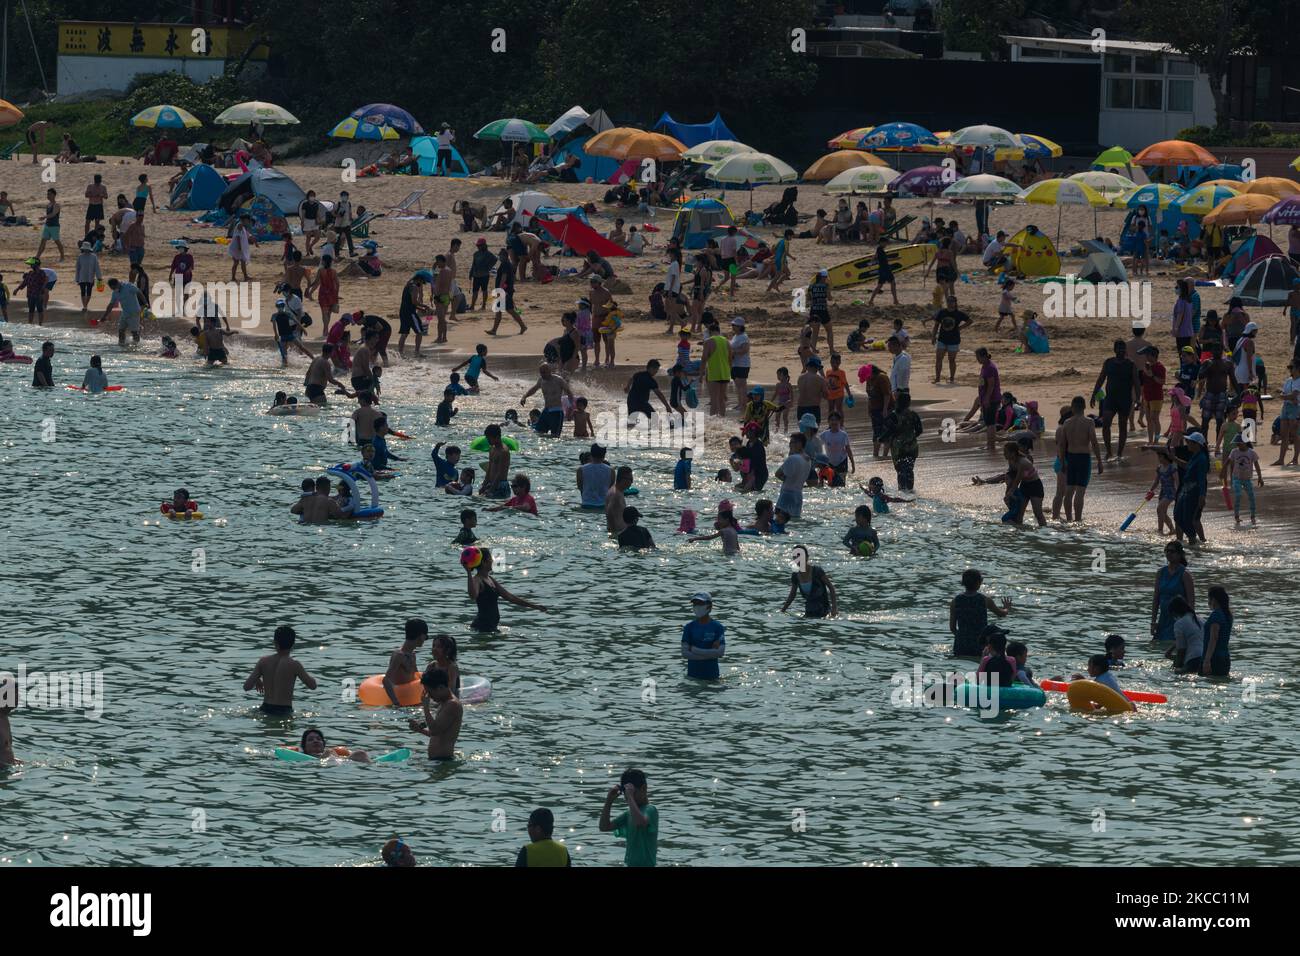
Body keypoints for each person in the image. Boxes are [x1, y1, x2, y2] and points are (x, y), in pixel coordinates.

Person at [463, 546, 548, 631]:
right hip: (481, 627)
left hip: (491, 627)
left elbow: (509, 597)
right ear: (484, 562)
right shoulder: (477, 580)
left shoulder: (490, 579)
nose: (493, 561)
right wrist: (469, 573)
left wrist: (534, 606)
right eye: (490, 558)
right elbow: (473, 596)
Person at [243, 625, 317, 716]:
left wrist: (257, 679)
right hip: (284, 711)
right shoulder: (294, 665)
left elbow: (246, 687)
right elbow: (313, 686)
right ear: (293, 644)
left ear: (275, 643)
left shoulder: (263, 662)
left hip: (265, 709)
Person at [599, 768, 659, 867]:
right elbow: (604, 827)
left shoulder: (651, 810)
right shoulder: (629, 814)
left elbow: (640, 822)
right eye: (625, 794)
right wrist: (609, 801)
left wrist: (630, 797)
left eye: (632, 792)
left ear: (644, 789)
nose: (627, 797)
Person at [1091, 339, 1138, 460]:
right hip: (1110, 399)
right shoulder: (1108, 362)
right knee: (1106, 423)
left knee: (1123, 426)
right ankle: (1109, 452)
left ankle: (1119, 453)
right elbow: (1101, 378)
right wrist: (1094, 394)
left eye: (1123, 348)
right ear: (1114, 350)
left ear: (1125, 350)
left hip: (1125, 400)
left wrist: (1138, 399)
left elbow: (1136, 383)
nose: (1121, 351)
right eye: (1118, 348)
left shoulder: (1131, 364)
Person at [949, 569, 1011, 658]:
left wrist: (963, 638)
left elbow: (952, 628)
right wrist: (1006, 608)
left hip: (960, 645)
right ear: (979, 582)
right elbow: (1001, 614)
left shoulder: (955, 601)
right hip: (980, 645)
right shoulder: (985, 600)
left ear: (963, 583)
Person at [1059, 396, 1103, 522]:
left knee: (1069, 490)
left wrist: (1062, 462)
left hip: (1071, 457)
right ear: (1084, 407)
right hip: (1083, 458)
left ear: (1072, 408)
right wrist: (1099, 461)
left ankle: (1069, 519)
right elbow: (1094, 442)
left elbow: (1062, 445)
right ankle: (1078, 520)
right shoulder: (1089, 422)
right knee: (1080, 491)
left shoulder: (1067, 423)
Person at [408, 667, 463, 760]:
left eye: (430, 692)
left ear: (441, 687)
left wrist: (426, 707)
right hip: (437, 760)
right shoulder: (444, 702)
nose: (429, 696)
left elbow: (434, 731)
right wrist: (419, 730)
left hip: (443, 760)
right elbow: (438, 734)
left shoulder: (452, 705)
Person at [881, 392, 922, 493]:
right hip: (912, 447)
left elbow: (888, 431)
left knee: (900, 470)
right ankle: (910, 491)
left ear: (897, 402)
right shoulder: (914, 415)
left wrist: (881, 439)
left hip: (898, 449)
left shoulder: (893, 416)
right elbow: (919, 430)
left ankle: (902, 492)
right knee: (909, 469)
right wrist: (910, 437)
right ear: (909, 402)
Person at [1174, 432, 1210, 544]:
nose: (1187, 444)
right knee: (1177, 516)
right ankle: (1192, 538)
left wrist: (1202, 495)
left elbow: (1201, 479)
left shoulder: (1202, 459)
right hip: (1185, 490)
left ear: (1196, 444)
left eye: (1189, 442)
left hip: (1194, 491)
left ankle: (1193, 539)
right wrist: (1172, 457)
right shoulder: (1195, 456)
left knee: (1187, 518)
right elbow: (1186, 465)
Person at [783, 545, 837, 618]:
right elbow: (792, 595)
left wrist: (834, 608)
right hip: (809, 611)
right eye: (795, 557)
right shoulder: (795, 576)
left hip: (824, 611)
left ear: (807, 557)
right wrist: (783, 610)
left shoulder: (817, 571)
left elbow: (831, 588)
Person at [681, 591, 725, 679]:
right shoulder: (689, 627)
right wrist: (710, 654)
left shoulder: (717, 627)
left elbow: (720, 652)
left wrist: (695, 650)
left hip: (712, 677)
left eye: (700, 603)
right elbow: (685, 653)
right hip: (692, 677)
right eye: (695, 604)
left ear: (709, 606)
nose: (697, 606)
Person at [521, 363, 573, 437]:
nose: (542, 374)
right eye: (541, 372)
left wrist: (570, 408)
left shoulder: (558, 380)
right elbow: (534, 389)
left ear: (550, 371)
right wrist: (524, 396)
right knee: (538, 433)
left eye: (544, 372)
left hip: (557, 412)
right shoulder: (541, 380)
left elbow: (569, 393)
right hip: (546, 411)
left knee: (555, 437)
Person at [929, 296, 971, 384]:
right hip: (942, 339)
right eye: (948, 301)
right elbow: (936, 325)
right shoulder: (942, 312)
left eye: (952, 301)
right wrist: (933, 336)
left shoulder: (959, 313)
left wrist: (960, 328)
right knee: (938, 359)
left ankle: (952, 378)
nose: (950, 303)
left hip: (954, 340)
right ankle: (937, 378)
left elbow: (970, 321)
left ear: (955, 303)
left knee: (951, 360)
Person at [1224, 434, 1263, 525]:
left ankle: (1253, 516)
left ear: (1245, 443)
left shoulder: (1251, 453)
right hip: (1236, 478)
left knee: (1252, 497)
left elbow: (1257, 465)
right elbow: (1228, 462)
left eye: (1239, 443)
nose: (1238, 445)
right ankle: (1236, 516)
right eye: (1236, 444)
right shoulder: (1234, 452)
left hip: (1247, 479)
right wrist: (1223, 471)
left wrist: (1260, 477)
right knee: (1238, 495)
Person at [99, 277, 147, 347]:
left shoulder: (128, 286)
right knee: (121, 330)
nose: (113, 289)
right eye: (112, 288)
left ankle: (137, 346)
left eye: (114, 287)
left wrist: (145, 303)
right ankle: (121, 345)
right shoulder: (115, 292)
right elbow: (111, 305)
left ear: (117, 283)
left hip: (134, 312)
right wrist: (104, 316)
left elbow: (139, 292)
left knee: (134, 332)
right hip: (125, 313)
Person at [775, 433, 811, 520]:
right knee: (794, 521)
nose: (790, 445)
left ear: (800, 444)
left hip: (787, 493)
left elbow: (778, 473)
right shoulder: (807, 459)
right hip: (798, 494)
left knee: (778, 521)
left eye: (793, 442)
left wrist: (790, 456)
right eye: (790, 442)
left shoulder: (792, 458)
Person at [1200, 586, 1233, 677]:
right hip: (1225, 658)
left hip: (1214, 659)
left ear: (1213, 599)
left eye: (1209, 598)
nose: (1208, 601)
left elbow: (1214, 638)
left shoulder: (1216, 615)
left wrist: (1207, 661)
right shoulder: (1228, 615)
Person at [867, 238, 897, 306]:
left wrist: (871, 263)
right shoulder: (880, 249)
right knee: (892, 283)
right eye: (885, 243)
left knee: (880, 285)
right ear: (881, 242)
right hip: (885, 269)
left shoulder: (879, 249)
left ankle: (871, 300)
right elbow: (882, 258)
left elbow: (875, 256)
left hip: (882, 269)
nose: (886, 244)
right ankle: (895, 300)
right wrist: (894, 259)